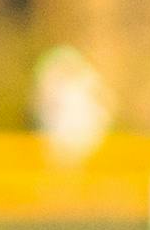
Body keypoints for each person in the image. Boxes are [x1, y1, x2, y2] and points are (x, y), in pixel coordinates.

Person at [29, 42, 114, 170]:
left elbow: (107, 105)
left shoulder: (84, 83)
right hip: (61, 146)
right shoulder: (74, 84)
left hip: (78, 145)